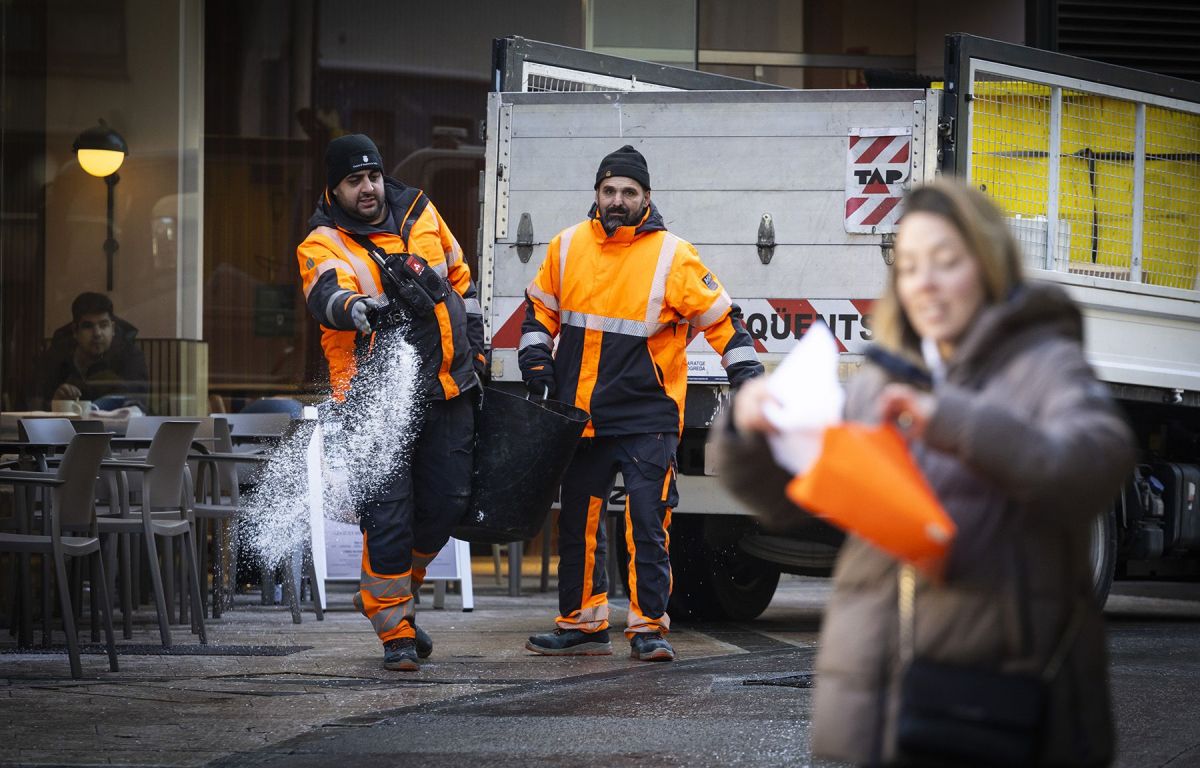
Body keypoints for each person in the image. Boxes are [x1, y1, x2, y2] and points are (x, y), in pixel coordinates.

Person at [715, 180, 1135, 766]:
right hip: (881, 705)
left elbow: (1096, 461)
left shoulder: (1042, 363)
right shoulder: (883, 381)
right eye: (909, 267)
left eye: (946, 262)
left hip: (997, 705)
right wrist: (748, 432)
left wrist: (956, 420)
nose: (925, 284)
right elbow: (785, 504)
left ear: (988, 263)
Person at [519, 145, 764, 662]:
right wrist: (537, 364)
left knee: (647, 523)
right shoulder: (567, 247)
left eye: (628, 192)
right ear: (596, 194)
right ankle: (582, 624)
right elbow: (540, 311)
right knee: (578, 524)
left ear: (646, 198)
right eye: (609, 191)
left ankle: (648, 626)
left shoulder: (674, 255)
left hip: (647, 414)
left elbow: (721, 318)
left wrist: (744, 370)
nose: (617, 201)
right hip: (580, 413)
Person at [296, 133, 484, 672]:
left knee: (448, 503)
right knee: (388, 516)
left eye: (373, 176)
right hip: (373, 402)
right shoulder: (322, 240)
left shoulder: (421, 210)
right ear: (334, 189)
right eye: (354, 181)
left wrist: (475, 339)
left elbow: (458, 278)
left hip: (447, 386)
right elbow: (323, 293)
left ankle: (393, 590)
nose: (368, 188)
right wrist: (353, 307)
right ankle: (394, 627)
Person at [32, 291, 148, 411]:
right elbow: (34, 407)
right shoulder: (56, 358)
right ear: (75, 331)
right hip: (65, 428)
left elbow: (136, 405)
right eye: (88, 326)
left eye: (103, 325)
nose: (97, 334)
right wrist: (55, 404)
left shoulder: (130, 357)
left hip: (115, 428)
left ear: (112, 328)